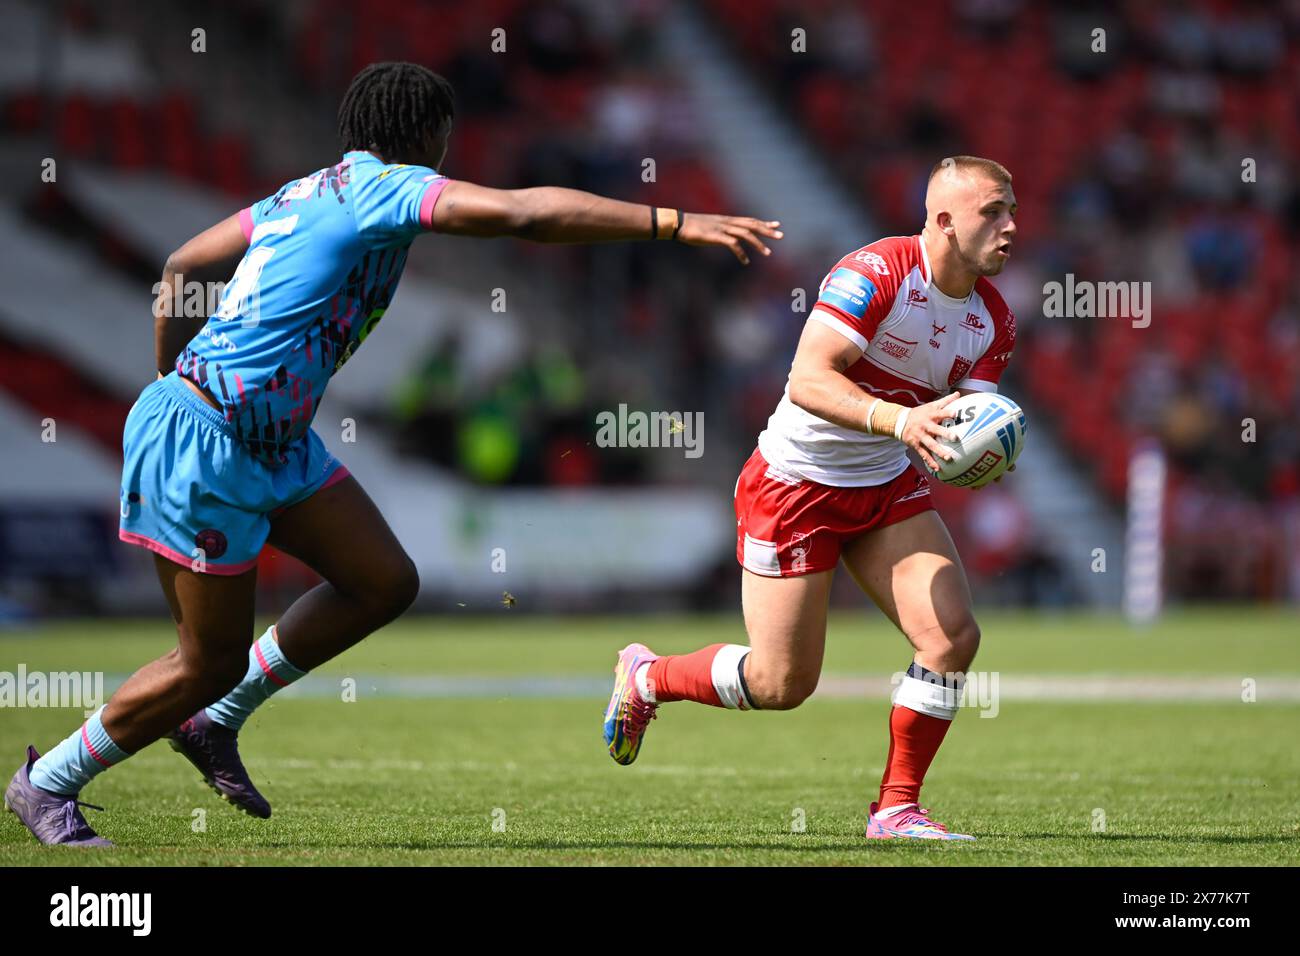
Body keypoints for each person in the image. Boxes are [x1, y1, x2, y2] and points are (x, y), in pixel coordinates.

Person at [5, 61, 782, 847]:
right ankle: (48, 782)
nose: (447, 151)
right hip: (209, 440)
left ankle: (217, 722)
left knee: (382, 581)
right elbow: (522, 215)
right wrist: (673, 222)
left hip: (269, 440)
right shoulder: (385, 188)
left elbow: (180, 265)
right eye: (443, 136)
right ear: (423, 136)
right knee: (205, 660)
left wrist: (171, 366)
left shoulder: (306, 190)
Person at [603, 156, 1018, 840]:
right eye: (993, 212)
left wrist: (981, 455)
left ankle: (895, 810)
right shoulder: (877, 274)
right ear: (943, 222)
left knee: (951, 637)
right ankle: (649, 678)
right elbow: (807, 379)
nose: (1011, 227)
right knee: (780, 685)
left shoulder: (994, 321)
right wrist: (901, 422)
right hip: (797, 484)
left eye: (1012, 211)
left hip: (886, 484)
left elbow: (964, 430)